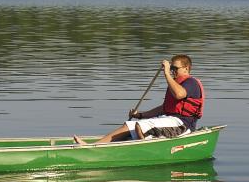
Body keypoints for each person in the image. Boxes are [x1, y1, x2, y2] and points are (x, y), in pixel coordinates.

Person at [74, 55, 205, 145]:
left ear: (186, 69)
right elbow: (164, 108)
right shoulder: (175, 83)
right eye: (171, 69)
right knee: (128, 125)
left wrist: (165, 74)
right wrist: (140, 115)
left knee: (139, 127)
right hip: (169, 119)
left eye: (175, 69)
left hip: (182, 124)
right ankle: (93, 146)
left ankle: (146, 147)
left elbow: (179, 94)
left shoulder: (191, 83)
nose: (172, 72)